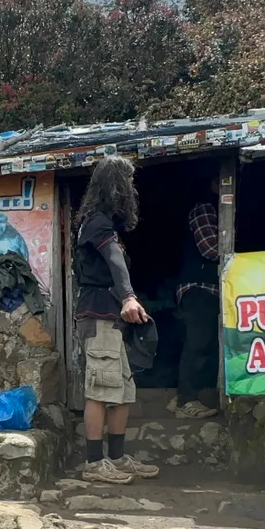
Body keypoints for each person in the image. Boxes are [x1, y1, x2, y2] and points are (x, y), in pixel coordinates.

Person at [73, 155, 159, 485]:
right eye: (129, 181)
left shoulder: (105, 223)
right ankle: (94, 462)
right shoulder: (96, 223)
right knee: (99, 390)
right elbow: (114, 262)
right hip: (97, 315)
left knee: (122, 390)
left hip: (111, 319)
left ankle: (118, 458)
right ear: (116, 185)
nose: (132, 187)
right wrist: (128, 297)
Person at [169, 179, 221, 419]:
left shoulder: (212, 208)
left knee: (203, 343)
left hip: (205, 288)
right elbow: (210, 248)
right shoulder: (204, 208)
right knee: (198, 343)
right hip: (198, 287)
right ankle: (185, 401)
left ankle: (181, 397)